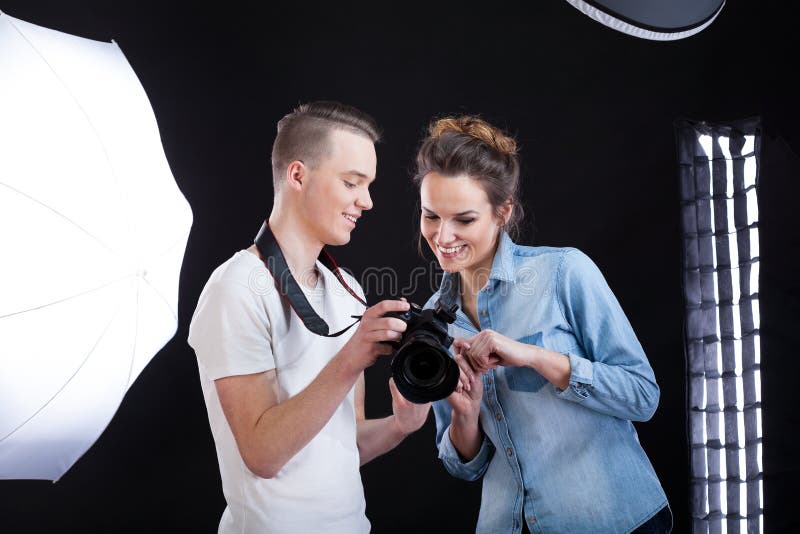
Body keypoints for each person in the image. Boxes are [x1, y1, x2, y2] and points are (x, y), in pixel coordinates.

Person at [414, 115, 672, 533]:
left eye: (464, 220)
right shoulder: (432, 320)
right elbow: (464, 468)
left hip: (608, 520)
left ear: (502, 212)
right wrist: (466, 414)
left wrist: (535, 357)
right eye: (431, 216)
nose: (443, 237)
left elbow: (642, 396)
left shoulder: (563, 272)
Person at [188, 101, 430, 533]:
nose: (367, 201)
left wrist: (401, 425)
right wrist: (350, 358)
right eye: (352, 182)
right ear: (298, 176)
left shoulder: (346, 288)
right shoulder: (235, 288)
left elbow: (346, 444)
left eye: (368, 185)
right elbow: (263, 455)